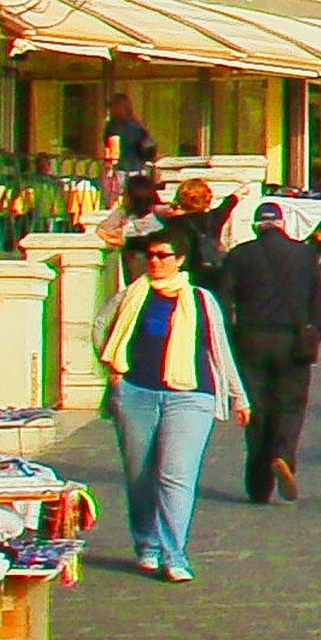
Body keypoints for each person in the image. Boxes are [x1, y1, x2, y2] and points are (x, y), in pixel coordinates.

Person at [95, 225, 241, 579]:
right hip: (137, 392)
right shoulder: (131, 295)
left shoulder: (201, 300)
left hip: (191, 394)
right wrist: (111, 367)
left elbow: (220, 348)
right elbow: (102, 327)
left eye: (163, 256)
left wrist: (239, 396)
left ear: (180, 260)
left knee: (175, 475)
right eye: (151, 256)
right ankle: (147, 543)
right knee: (140, 474)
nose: (155, 263)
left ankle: (174, 554)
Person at [213, 196, 321, 503]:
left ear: (257, 226)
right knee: (291, 404)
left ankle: (258, 485)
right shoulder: (304, 254)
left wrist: (228, 339)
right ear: (282, 225)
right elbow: (317, 302)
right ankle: (283, 454)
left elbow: (222, 301)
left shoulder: (240, 256)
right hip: (292, 342)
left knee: (257, 409)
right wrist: (318, 332)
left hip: (251, 340)